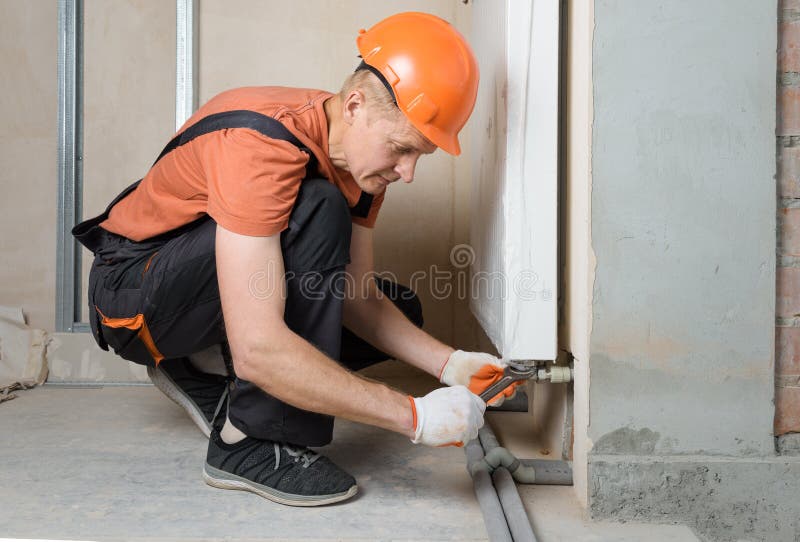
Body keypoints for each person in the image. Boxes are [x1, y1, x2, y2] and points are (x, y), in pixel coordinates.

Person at [73, 11, 523, 507]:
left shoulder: (361, 167)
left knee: (402, 309)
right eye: (401, 149)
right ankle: (247, 440)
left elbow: (359, 298)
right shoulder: (262, 147)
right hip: (132, 297)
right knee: (317, 208)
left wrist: (450, 365)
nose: (408, 171)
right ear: (355, 105)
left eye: (419, 155)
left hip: (196, 288)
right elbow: (258, 347)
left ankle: (200, 366)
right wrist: (412, 417)